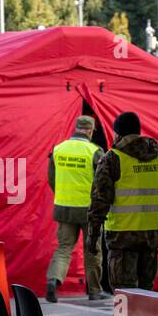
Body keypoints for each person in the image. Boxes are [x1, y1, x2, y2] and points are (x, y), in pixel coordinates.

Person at [87, 111, 158, 291]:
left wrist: (92, 235)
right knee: (146, 293)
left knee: (125, 294)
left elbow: (99, 200)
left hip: (122, 237)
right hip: (151, 236)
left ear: (118, 134)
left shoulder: (112, 159)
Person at [45, 115, 104, 302]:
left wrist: (62, 195)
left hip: (64, 208)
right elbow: (103, 182)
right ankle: (94, 291)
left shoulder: (58, 149)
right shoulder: (95, 151)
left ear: (76, 128)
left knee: (63, 248)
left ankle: (53, 280)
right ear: (90, 130)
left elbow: (51, 179)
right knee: (92, 250)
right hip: (90, 210)